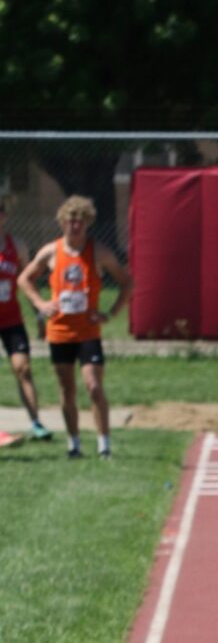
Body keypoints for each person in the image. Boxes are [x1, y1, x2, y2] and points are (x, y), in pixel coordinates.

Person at [17, 196, 131, 459]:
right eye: (70, 221)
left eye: (80, 221)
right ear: (62, 223)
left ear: (88, 223)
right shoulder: (51, 251)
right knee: (66, 389)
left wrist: (111, 313)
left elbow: (127, 282)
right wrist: (40, 303)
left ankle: (104, 445)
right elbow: (24, 279)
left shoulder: (98, 252)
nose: (75, 226)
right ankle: (74, 444)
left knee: (93, 385)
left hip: (88, 331)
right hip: (60, 331)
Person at [0, 197, 49, 440]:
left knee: (23, 368)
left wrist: (39, 314)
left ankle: (36, 423)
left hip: (11, 319)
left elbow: (27, 282)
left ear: (4, 216)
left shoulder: (16, 246)